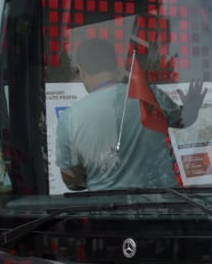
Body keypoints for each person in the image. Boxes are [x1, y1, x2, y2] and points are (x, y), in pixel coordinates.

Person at [55, 39, 175, 192]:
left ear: (80, 70)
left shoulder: (70, 117)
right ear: (116, 66)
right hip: (164, 207)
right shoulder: (151, 96)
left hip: (108, 212)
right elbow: (184, 121)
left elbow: (73, 181)